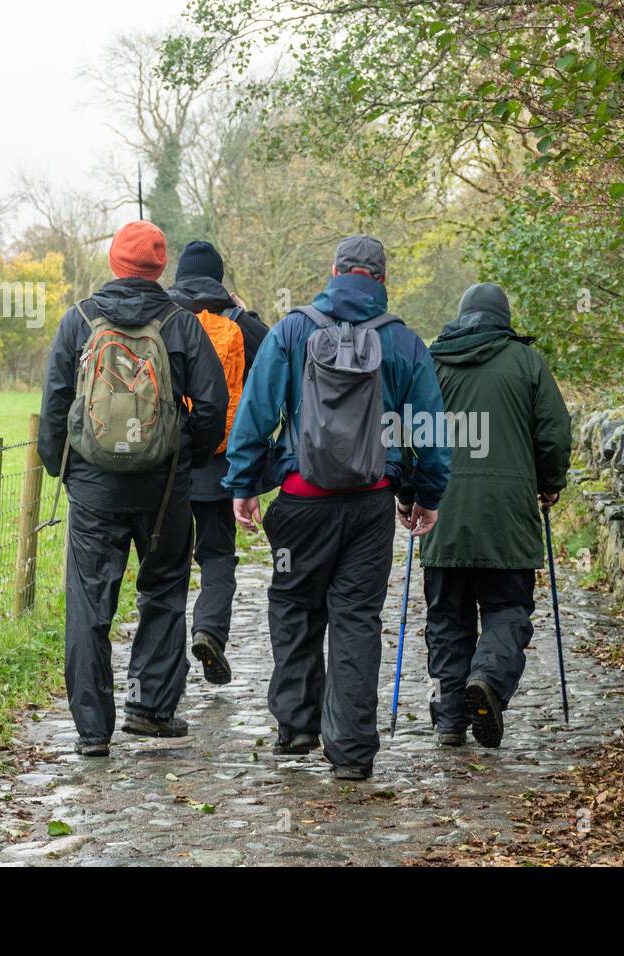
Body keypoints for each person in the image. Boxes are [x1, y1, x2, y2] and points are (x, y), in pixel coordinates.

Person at [222, 235, 450, 780]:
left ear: (333, 271)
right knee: (356, 621)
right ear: (383, 281)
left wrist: (243, 483)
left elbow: (257, 412)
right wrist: (424, 494)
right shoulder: (403, 342)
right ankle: (350, 752)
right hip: (371, 509)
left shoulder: (292, 330)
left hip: (300, 503)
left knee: (295, 605)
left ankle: (298, 726)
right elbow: (431, 430)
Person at [38, 221, 227, 757]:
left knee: (89, 602)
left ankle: (92, 731)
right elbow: (212, 406)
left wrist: (61, 466)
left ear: (114, 262)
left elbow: (55, 402)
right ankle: (150, 709)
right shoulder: (183, 324)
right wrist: (185, 453)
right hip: (164, 486)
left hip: (94, 487)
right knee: (163, 591)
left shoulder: (77, 321)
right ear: (159, 268)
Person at [416, 282, 571, 748]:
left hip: (441, 515)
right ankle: (487, 680)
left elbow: (412, 431)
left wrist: (410, 491)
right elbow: (553, 432)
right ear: (504, 319)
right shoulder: (526, 362)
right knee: (507, 609)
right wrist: (550, 482)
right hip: (506, 516)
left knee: (447, 617)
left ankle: (449, 718)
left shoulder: (432, 362)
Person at [167, 240, 269, 685]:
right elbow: (278, 355)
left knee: (167, 566)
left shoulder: (163, 318)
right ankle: (209, 630)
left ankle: (165, 662)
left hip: (166, 464)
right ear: (219, 277)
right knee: (217, 557)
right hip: (220, 465)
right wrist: (249, 315)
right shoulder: (240, 324)